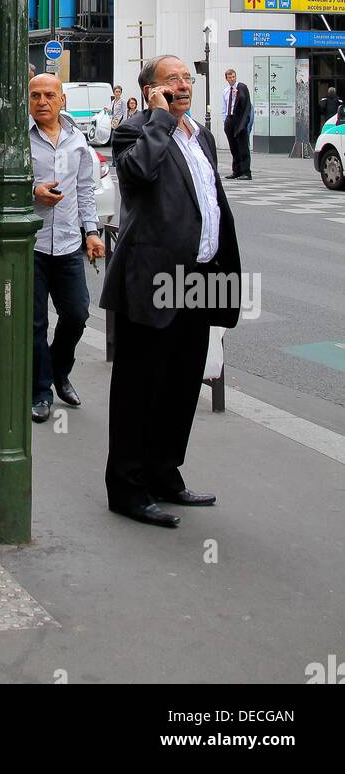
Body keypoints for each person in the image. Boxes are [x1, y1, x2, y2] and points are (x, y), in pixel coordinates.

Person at [101, 55, 241, 528]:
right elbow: (138, 177)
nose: (183, 85)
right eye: (171, 80)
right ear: (150, 90)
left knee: (182, 384)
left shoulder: (201, 134)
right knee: (140, 386)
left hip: (199, 277)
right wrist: (159, 119)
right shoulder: (135, 131)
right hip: (153, 278)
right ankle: (127, 487)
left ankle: (165, 472)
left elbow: (209, 199)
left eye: (187, 78)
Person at [29, 72, 105, 420]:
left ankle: (60, 372)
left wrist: (92, 232)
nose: (41, 102)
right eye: (35, 96)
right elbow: (3, 184)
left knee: (76, 315)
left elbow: (86, 191)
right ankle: (41, 390)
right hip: (32, 244)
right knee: (35, 324)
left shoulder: (78, 142)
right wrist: (34, 192)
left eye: (48, 95)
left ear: (62, 100)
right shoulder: (20, 139)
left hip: (70, 244)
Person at [222, 68, 252, 180]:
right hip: (230, 119)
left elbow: (245, 103)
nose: (232, 79)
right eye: (229, 77)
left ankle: (246, 172)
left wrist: (236, 96)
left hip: (240, 119)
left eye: (233, 77)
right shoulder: (226, 91)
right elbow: (224, 107)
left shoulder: (241, 87)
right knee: (233, 147)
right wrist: (225, 120)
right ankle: (236, 171)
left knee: (243, 146)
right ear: (226, 78)